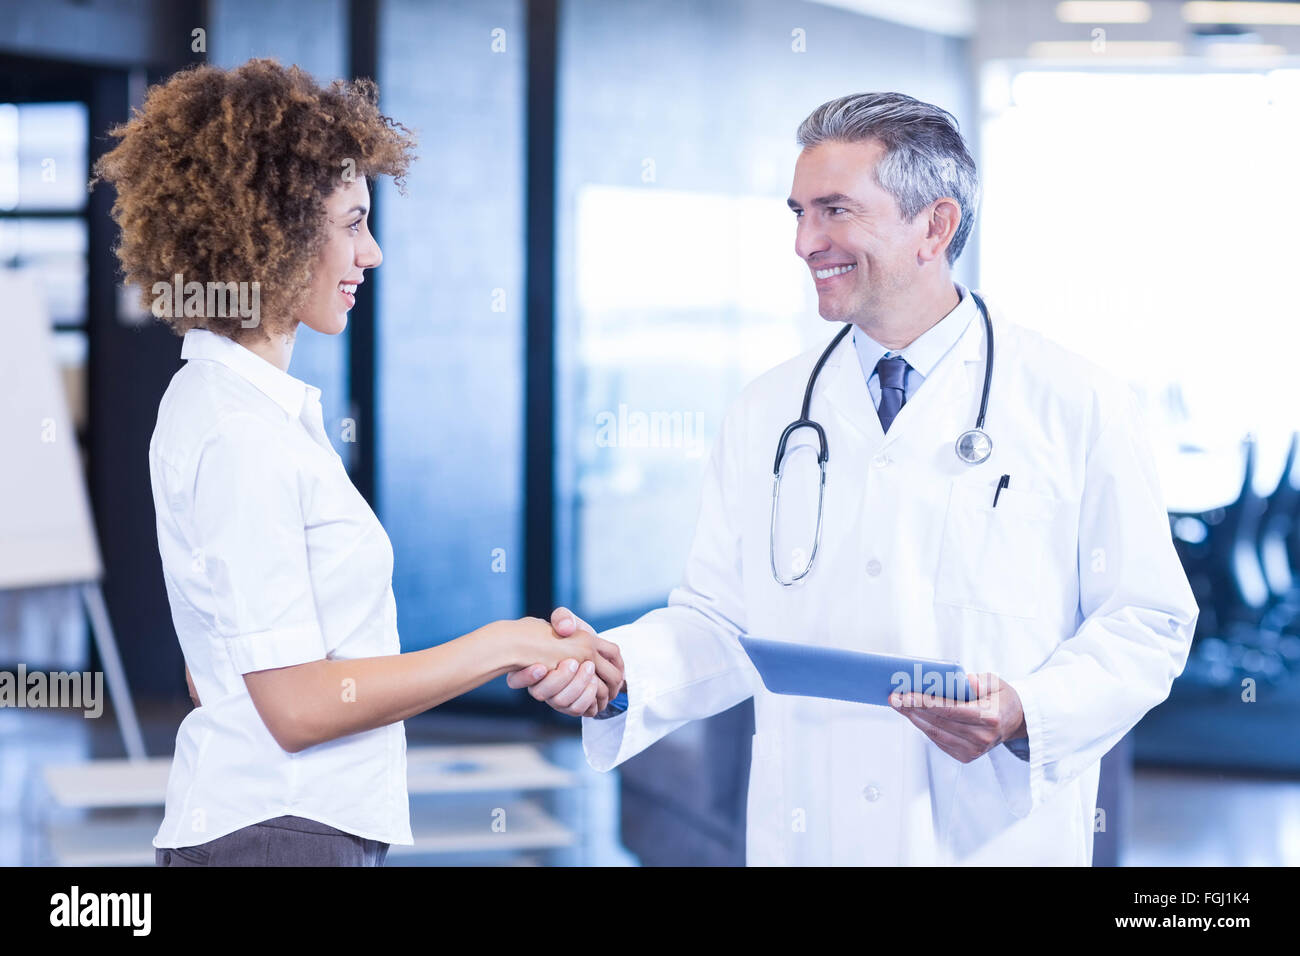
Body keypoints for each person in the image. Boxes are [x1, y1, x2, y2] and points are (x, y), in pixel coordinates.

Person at [513, 91, 1199, 865]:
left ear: (933, 227)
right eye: (798, 212)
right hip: (812, 831)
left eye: (834, 211)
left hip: (987, 837)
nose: (806, 241)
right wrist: (618, 669)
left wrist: (1027, 711)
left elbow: (1147, 620)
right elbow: (720, 620)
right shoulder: (768, 409)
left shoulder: (1075, 401)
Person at [90, 59, 623, 867]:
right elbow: (295, 708)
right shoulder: (240, 430)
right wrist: (502, 645)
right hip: (280, 836)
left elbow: (221, 681)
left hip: (283, 827)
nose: (370, 254)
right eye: (352, 222)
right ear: (274, 224)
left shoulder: (230, 406)